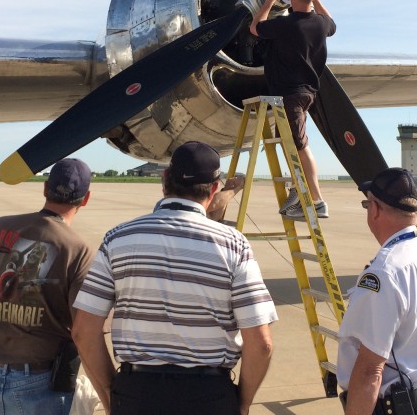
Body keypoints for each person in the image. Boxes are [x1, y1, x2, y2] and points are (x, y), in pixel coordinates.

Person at [72, 141, 278, 415]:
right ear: (214, 189)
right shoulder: (234, 244)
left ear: (164, 180)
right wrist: (242, 402)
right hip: (209, 397)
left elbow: (83, 332)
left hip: (136, 395)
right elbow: (261, 343)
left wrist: (113, 396)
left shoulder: (117, 238)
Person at [0, 158, 94, 415]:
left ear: (45, 188)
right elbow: (84, 334)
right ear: (85, 199)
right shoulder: (79, 250)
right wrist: (109, 392)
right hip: (40, 386)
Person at [337, 168, 417, 415]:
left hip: (394, 405)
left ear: (374, 210)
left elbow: (369, 372)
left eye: (367, 204)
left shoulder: (384, 273)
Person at [249, 0, 336, 221]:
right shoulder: (321, 24)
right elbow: (332, 22)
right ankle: (298, 191)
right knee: (295, 144)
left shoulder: (286, 25)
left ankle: (317, 201)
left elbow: (255, 27)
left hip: (290, 95)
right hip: (308, 93)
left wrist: (268, 1)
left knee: (300, 146)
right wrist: (316, 1)